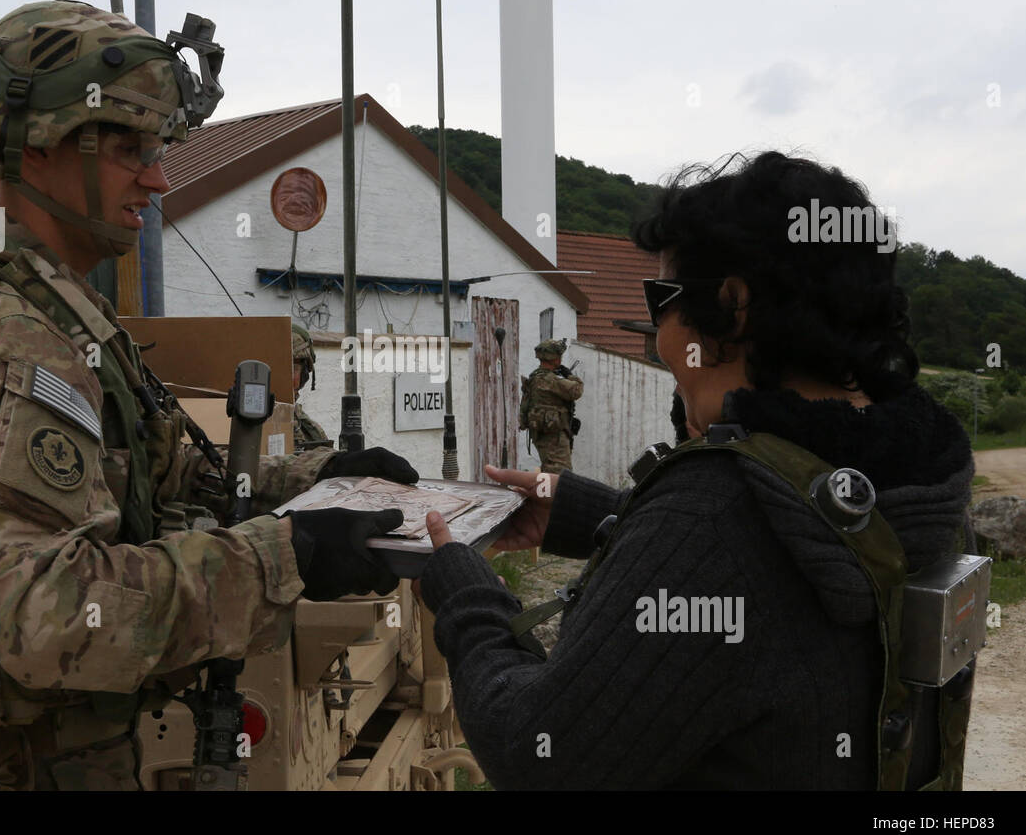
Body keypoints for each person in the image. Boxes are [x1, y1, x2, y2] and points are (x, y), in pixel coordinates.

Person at [0, 0, 416, 790]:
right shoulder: (4, 333)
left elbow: (164, 482)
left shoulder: (52, 306)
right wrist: (289, 558)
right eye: (128, 147)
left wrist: (317, 485)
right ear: (40, 146)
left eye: (160, 145)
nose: (158, 175)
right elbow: (49, 614)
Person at [416, 151, 977, 790]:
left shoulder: (712, 514)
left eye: (663, 299)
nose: (658, 333)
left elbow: (539, 756)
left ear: (731, 308)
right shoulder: (921, 471)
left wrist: (467, 599)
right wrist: (595, 514)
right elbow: (789, 574)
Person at [521, 338, 583, 472]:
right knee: (559, 474)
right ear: (556, 359)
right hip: (553, 437)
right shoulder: (550, 380)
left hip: (544, 434)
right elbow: (576, 390)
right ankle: (553, 494)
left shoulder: (535, 377)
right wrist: (570, 375)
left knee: (550, 470)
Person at [291, 323, 331, 449]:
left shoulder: (311, 432)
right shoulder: (244, 422)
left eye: (293, 369)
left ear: (303, 376)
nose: (284, 377)